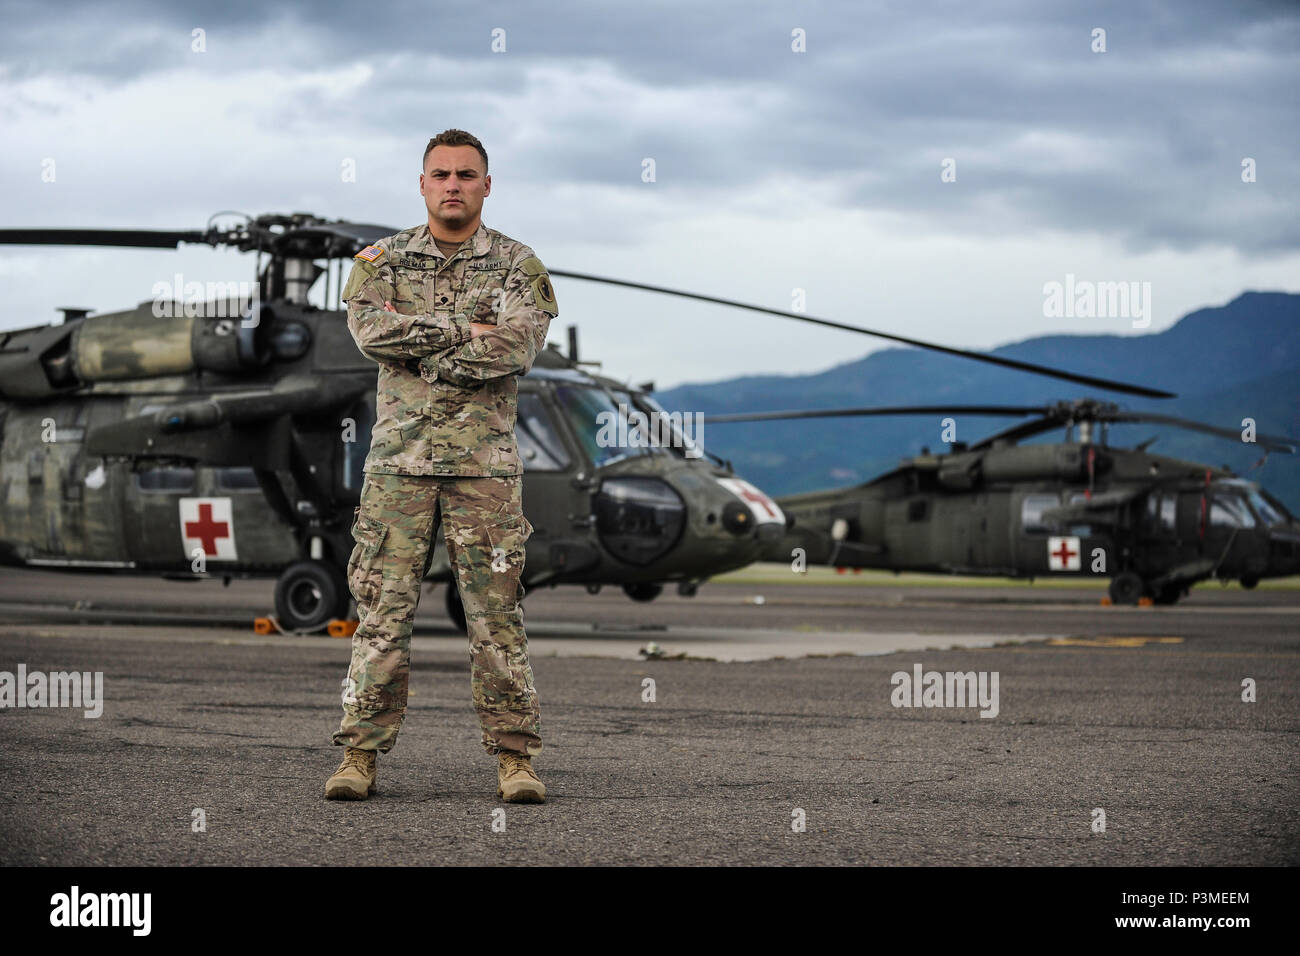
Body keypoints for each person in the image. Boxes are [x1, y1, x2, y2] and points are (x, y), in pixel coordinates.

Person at [326, 129, 558, 803]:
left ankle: (516, 761)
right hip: (399, 470)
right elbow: (371, 332)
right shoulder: (381, 260)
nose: (452, 184)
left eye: (465, 174)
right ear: (422, 184)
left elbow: (517, 349)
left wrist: (420, 345)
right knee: (381, 617)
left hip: (484, 471)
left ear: (488, 185)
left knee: (497, 618)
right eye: (440, 174)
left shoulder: (519, 264)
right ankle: (359, 757)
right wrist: (463, 333)